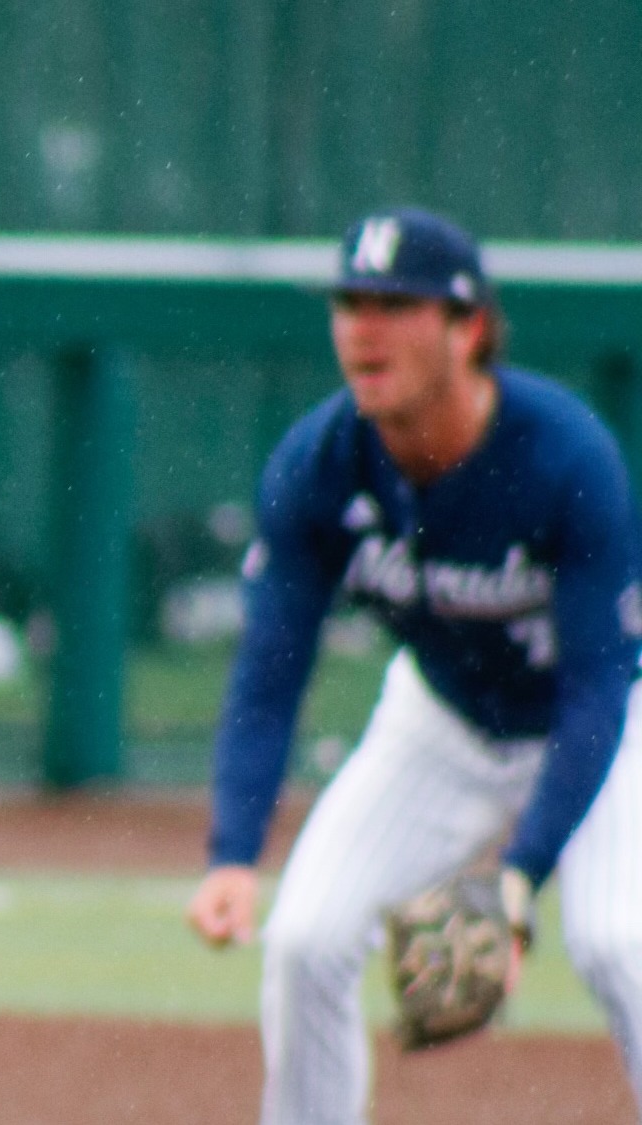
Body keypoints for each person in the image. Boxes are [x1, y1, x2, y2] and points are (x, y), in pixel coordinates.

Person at [186, 207, 642, 1123]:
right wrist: (234, 849)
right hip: (439, 721)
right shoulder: (317, 467)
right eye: (350, 301)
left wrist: (519, 875)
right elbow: (270, 673)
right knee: (306, 940)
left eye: (395, 303)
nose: (363, 325)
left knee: (619, 942)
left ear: (466, 327)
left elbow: (597, 686)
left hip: (604, 726)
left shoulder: (565, 456)